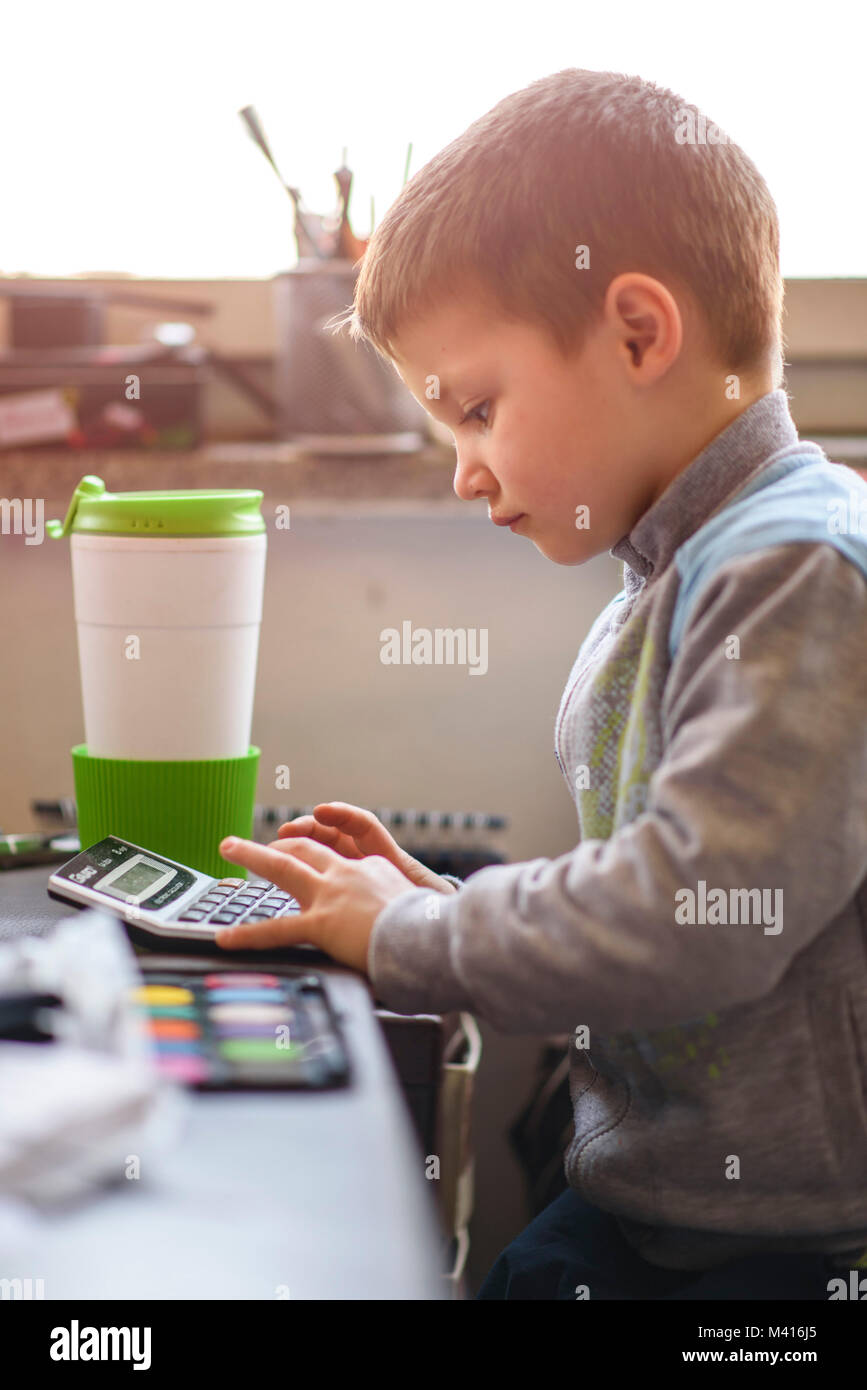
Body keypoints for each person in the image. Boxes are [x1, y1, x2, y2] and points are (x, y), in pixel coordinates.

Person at [214, 69, 867, 1299]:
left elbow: (695, 915)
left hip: (791, 1254)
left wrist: (417, 935)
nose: (464, 472)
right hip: (650, 1204)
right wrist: (432, 912)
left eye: (476, 409)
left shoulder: (796, 570)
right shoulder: (672, 578)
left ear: (637, 333)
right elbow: (636, 903)